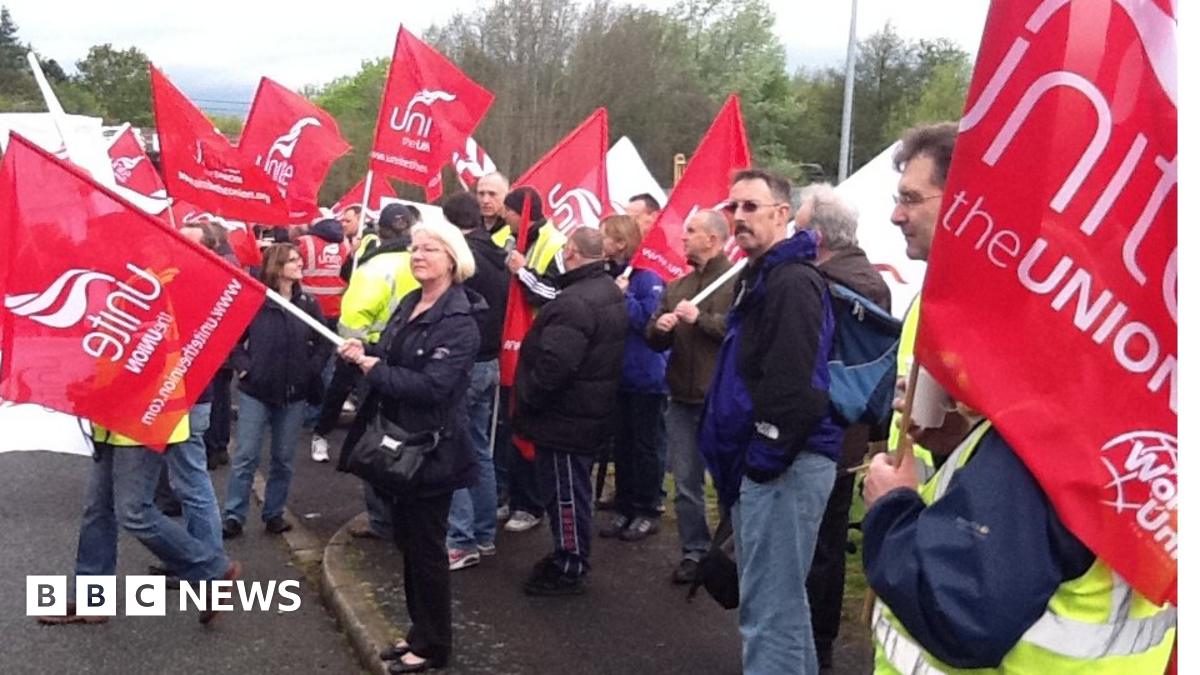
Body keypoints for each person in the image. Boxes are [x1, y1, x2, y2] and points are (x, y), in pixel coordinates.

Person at [862, 410, 1176, 673]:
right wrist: (962, 451)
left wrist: (891, 508)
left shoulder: (1049, 437)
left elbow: (958, 617)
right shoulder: (1159, 430)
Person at [698, 168, 842, 674]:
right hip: (769, 465)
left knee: (767, 611)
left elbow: (795, 386)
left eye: (750, 207)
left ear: (782, 214)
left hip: (785, 466)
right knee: (782, 606)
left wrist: (762, 461)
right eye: (733, 207)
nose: (737, 217)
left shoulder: (792, 282)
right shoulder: (760, 276)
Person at [336, 220, 482, 673]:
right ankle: (420, 631)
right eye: (416, 249)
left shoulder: (460, 322)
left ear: (453, 259)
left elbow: (433, 386)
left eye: (430, 250)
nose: (419, 256)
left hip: (431, 450)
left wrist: (372, 369)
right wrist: (365, 347)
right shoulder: (410, 302)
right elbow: (393, 349)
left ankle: (435, 646)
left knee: (426, 549)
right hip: (397, 445)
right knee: (408, 543)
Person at [792, 183, 891, 670]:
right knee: (819, 544)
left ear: (817, 236)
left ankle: (817, 646)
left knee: (821, 548)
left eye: (798, 229)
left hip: (829, 432)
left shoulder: (838, 282)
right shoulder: (858, 274)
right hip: (839, 432)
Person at [37, 415, 240, 625]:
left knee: (134, 511)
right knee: (98, 508)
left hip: (143, 420)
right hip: (112, 422)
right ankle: (91, 600)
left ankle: (212, 568)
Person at [513, 228, 627, 595]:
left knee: (564, 492)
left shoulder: (574, 302)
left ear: (572, 253)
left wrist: (528, 396)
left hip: (566, 417)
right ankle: (570, 551)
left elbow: (556, 365)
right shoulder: (606, 289)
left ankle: (569, 562)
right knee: (573, 489)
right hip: (586, 410)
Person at [312, 204, 420, 538]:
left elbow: (353, 315)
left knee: (372, 436)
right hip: (411, 353)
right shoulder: (423, 261)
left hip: (370, 350)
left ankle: (380, 518)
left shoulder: (377, 265)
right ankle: (399, 513)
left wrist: (352, 347)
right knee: (402, 433)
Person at [645, 208, 734, 584]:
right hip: (681, 397)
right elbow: (653, 336)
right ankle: (693, 552)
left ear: (713, 239)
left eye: (691, 231)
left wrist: (703, 320)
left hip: (722, 401)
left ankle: (730, 555)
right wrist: (661, 328)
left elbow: (739, 332)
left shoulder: (738, 283)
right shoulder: (676, 286)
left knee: (730, 484)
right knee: (685, 483)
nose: (683, 238)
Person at [222, 244, 331, 539]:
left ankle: (274, 513)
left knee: (283, 458)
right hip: (256, 390)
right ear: (276, 266)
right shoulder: (256, 300)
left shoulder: (307, 303)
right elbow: (231, 338)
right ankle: (234, 514)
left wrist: (311, 369)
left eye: (299, 259)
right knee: (246, 454)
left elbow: (324, 341)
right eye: (292, 260)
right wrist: (245, 367)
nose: (299, 265)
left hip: (293, 392)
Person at [887, 122, 965, 481]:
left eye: (912, 199)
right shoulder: (935, 292)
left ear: (961, 199)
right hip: (920, 483)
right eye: (897, 199)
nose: (896, 216)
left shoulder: (1008, 311)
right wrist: (952, 438)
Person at [442, 192, 509, 570]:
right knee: (481, 450)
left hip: (465, 363)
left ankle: (461, 539)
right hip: (490, 359)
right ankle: (483, 534)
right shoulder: (497, 255)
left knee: (454, 450)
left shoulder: (463, 261)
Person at [497, 187, 567, 533]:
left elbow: (555, 293)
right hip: (512, 346)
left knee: (529, 427)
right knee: (509, 426)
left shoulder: (554, 243)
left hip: (538, 346)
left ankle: (533, 504)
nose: (502, 217)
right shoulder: (511, 239)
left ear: (520, 214)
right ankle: (514, 495)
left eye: (507, 212)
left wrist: (523, 272)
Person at [596, 214, 669, 543]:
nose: (601, 242)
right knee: (622, 445)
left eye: (605, 237)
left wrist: (622, 296)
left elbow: (646, 320)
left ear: (621, 243)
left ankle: (647, 508)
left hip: (646, 376)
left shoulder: (647, 276)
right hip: (618, 373)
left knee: (644, 445)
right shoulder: (611, 273)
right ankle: (624, 505)